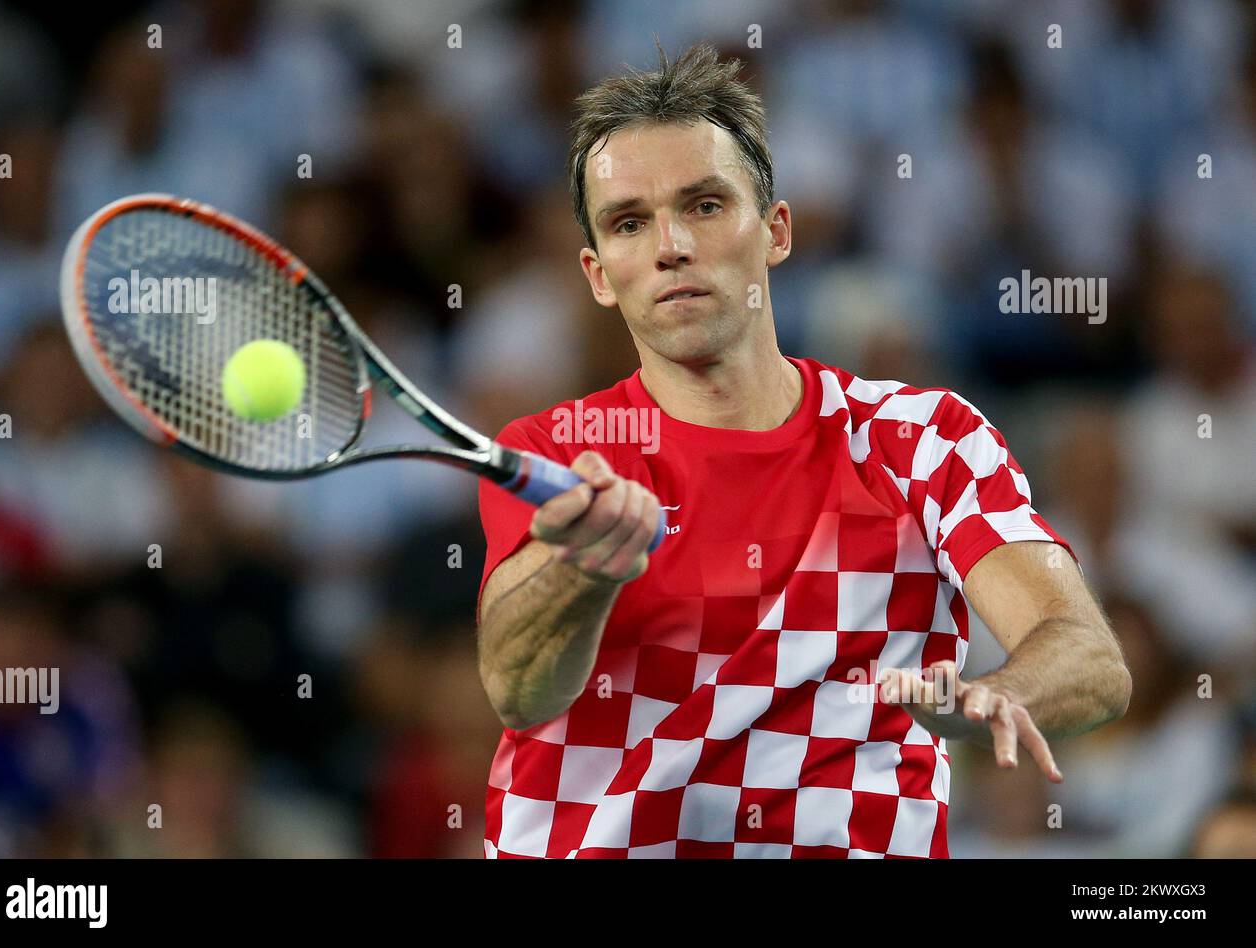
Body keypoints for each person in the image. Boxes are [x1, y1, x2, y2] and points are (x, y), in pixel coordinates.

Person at [475, 43, 1131, 859]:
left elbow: (1090, 656)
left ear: (777, 231)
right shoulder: (558, 452)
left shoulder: (922, 437)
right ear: (599, 273)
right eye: (629, 223)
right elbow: (516, 689)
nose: (670, 245)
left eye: (705, 205)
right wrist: (583, 566)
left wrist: (992, 694)